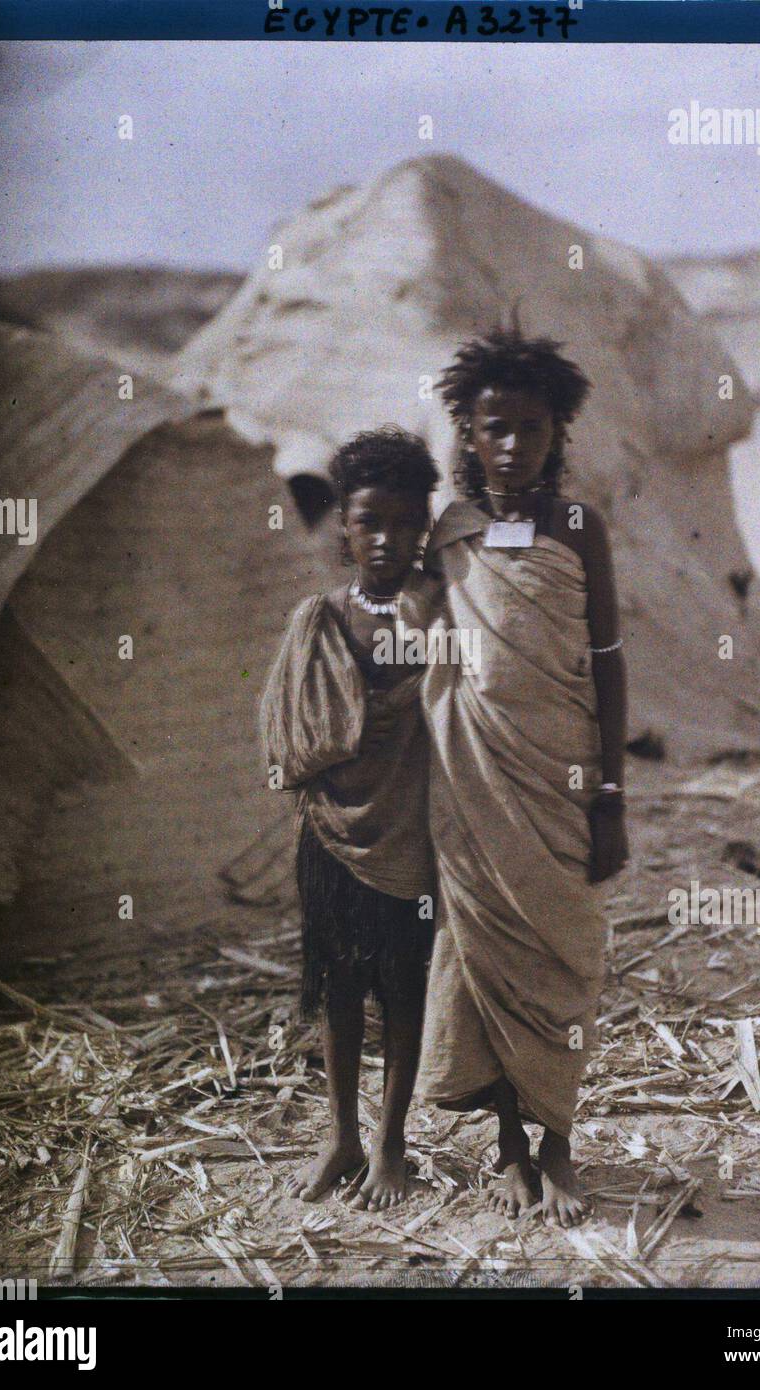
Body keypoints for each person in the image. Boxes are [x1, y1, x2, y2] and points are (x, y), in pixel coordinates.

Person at [414, 327, 629, 1226]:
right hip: (470, 779)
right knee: (486, 953)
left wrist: (611, 796)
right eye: (494, 426)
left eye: (530, 428)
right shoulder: (448, 534)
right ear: (465, 430)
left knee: (565, 953)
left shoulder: (579, 529)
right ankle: (510, 1145)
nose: (512, 445)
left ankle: (560, 1143)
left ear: (556, 434)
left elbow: (609, 661)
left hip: (563, 778)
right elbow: (417, 646)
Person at [263, 427, 440, 1209]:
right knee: (338, 986)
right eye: (370, 522)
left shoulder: (441, 616)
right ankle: (339, 1136)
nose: (386, 539)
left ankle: (390, 1147)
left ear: (424, 528)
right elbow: (292, 733)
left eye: (405, 523)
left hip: (410, 836)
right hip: (333, 836)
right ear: (344, 524)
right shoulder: (323, 620)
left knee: (404, 988)